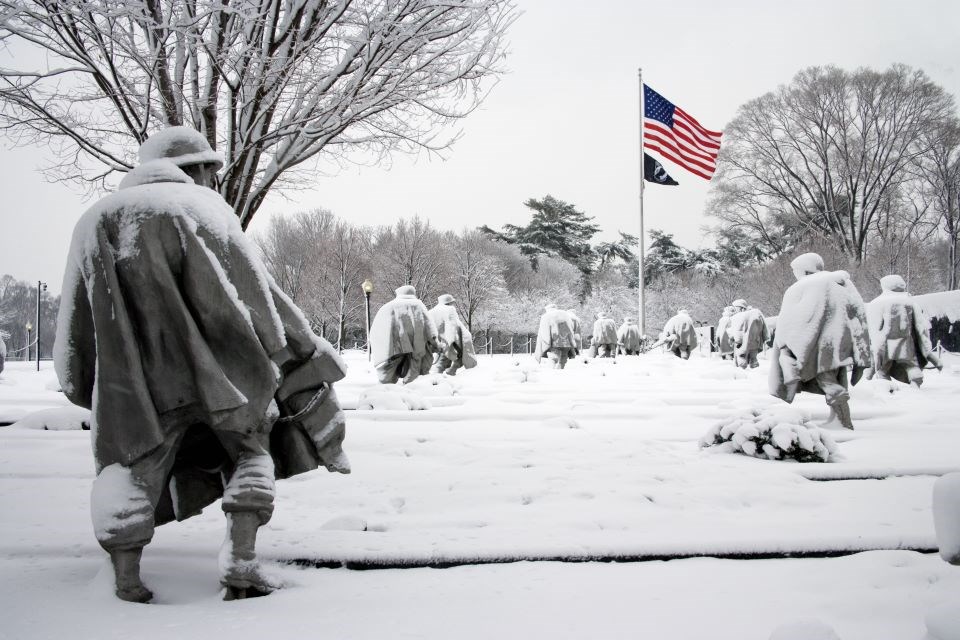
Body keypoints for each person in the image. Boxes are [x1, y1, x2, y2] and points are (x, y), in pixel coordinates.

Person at [54, 126, 349, 603]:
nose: (212, 180)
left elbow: (76, 318)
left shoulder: (94, 221)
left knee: (131, 470)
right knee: (250, 454)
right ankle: (242, 560)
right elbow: (257, 296)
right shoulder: (206, 211)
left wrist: (83, 379)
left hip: (137, 383)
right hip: (229, 376)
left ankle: (126, 576)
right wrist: (298, 346)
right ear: (194, 169)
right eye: (209, 170)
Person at [768, 252, 872, 430]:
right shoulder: (843, 284)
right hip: (840, 343)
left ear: (805, 271)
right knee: (835, 378)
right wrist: (859, 349)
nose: (796, 275)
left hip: (818, 346)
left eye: (797, 271)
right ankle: (838, 419)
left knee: (827, 381)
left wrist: (789, 351)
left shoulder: (804, 287)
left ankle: (843, 422)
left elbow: (796, 322)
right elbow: (859, 316)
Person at [866, 274, 942, 387]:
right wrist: (926, 351)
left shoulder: (875, 304)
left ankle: (888, 391)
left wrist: (874, 352)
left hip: (885, 346)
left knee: (882, 371)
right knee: (911, 366)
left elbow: (873, 331)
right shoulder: (910, 302)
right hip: (906, 344)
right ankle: (915, 384)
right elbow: (921, 328)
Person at [370, 285, 440, 384]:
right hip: (415, 346)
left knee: (388, 374)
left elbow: (376, 330)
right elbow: (430, 328)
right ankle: (410, 387)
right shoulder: (418, 305)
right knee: (414, 369)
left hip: (394, 347)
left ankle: (386, 390)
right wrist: (436, 344)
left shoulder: (387, 307)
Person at [428, 294, 477, 376]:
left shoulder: (431, 312)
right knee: (461, 356)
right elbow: (452, 326)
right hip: (449, 340)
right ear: (448, 302)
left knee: (445, 359)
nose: (453, 304)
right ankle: (448, 372)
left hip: (437, 341)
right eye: (452, 302)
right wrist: (452, 342)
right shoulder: (449, 310)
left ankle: (444, 373)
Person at [535, 304, 579, 369]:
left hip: (554, 342)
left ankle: (553, 374)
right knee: (563, 359)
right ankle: (560, 372)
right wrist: (572, 343)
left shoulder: (546, 316)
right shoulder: (565, 314)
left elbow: (545, 332)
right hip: (567, 343)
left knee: (553, 358)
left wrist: (546, 344)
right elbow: (571, 329)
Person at [727, 304, 770, 369]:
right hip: (755, 342)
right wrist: (765, 337)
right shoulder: (757, 314)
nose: (735, 310)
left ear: (741, 308)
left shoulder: (737, 317)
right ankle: (756, 374)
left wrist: (732, 341)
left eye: (736, 308)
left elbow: (733, 334)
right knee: (753, 359)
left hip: (741, 344)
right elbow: (765, 328)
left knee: (742, 359)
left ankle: (743, 376)